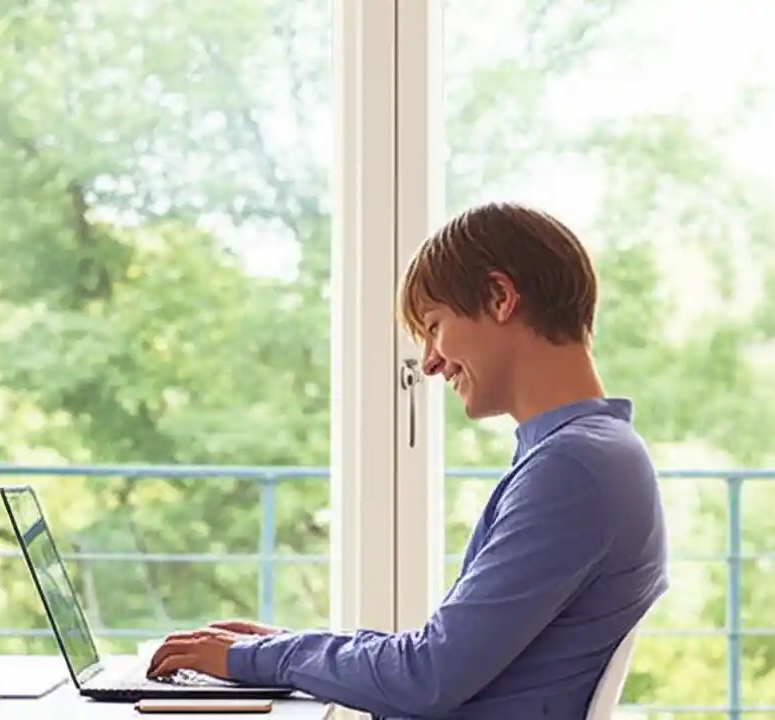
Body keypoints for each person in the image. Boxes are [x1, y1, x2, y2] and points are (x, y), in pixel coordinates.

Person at [147, 202, 669, 719]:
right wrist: (288, 649)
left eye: (435, 326)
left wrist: (264, 658)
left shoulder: (573, 468)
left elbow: (426, 676)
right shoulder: (591, 454)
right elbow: (442, 657)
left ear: (499, 297)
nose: (430, 362)